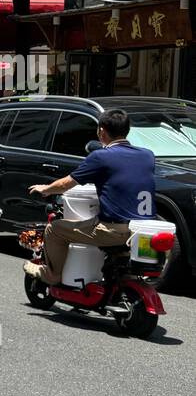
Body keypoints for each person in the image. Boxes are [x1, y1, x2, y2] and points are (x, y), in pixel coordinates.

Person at [25, 108, 155, 286]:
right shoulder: (148, 156)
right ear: (127, 130)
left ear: (101, 131)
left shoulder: (101, 156)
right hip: (143, 230)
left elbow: (66, 184)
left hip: (113, 230)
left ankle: (52, 275)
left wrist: (46, 188)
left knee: (54, 229)